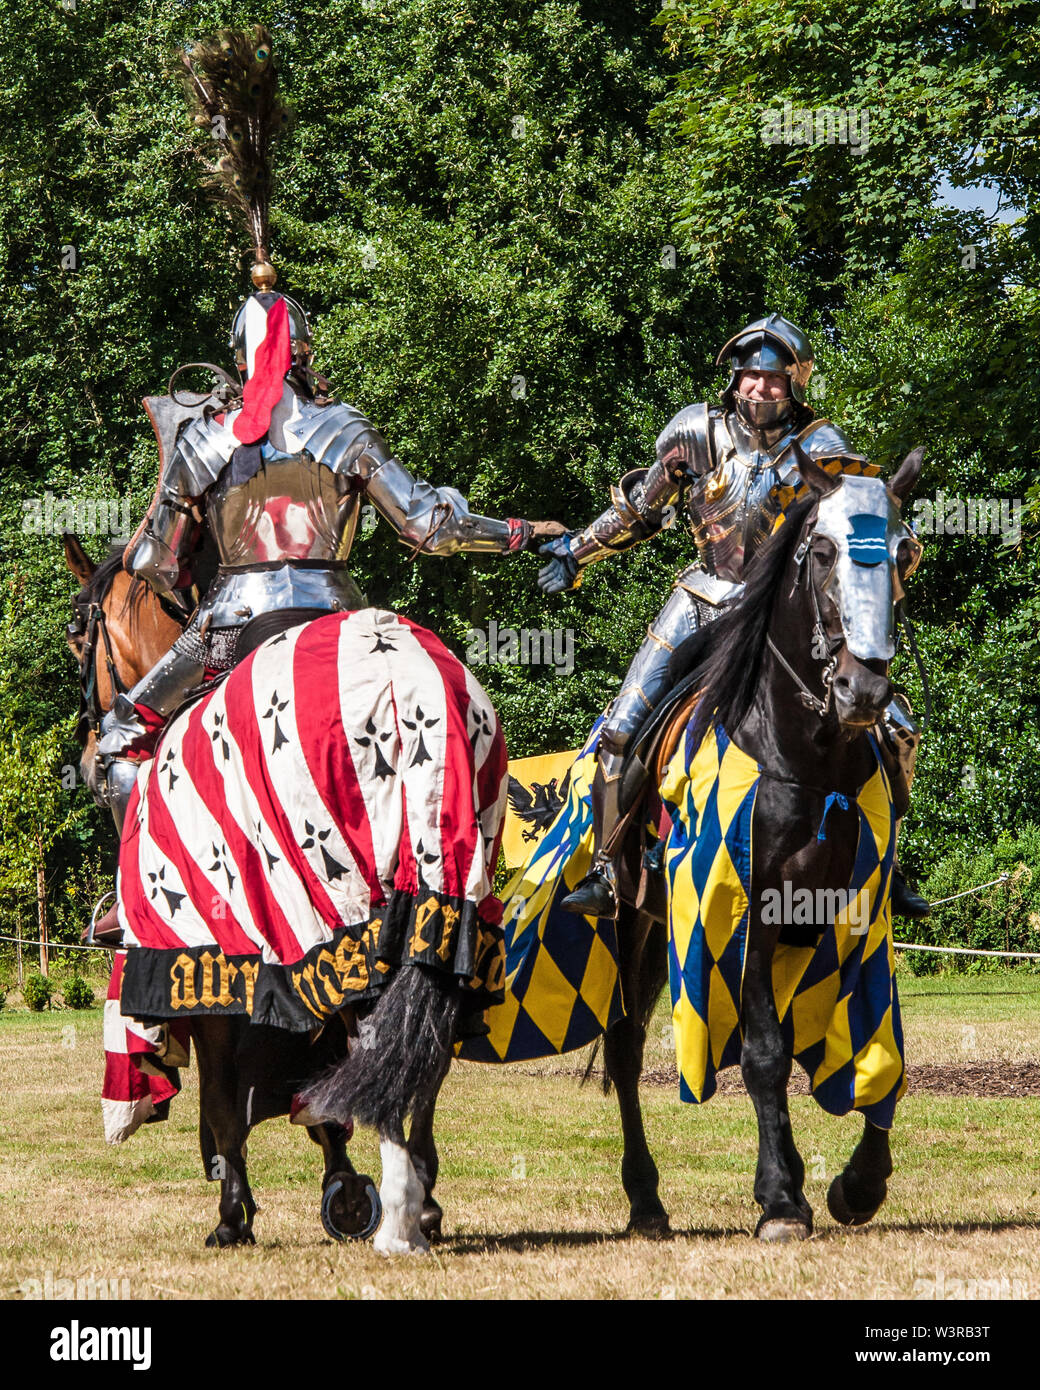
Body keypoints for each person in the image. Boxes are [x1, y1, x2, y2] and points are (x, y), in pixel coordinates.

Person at [536, 313, 928, 921]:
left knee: (895, 725)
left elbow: (864, 524)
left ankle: (888, 866)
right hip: (701, 597)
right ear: (734, 379)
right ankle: (615, 867)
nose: (758, 388)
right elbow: (642, 513)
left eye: (772, 379)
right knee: (622, 725)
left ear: (796, 382)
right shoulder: (693, 432)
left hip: (780, 612)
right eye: (748, 375)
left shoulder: (824, 450)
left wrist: (891, 563)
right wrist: (576, 550)